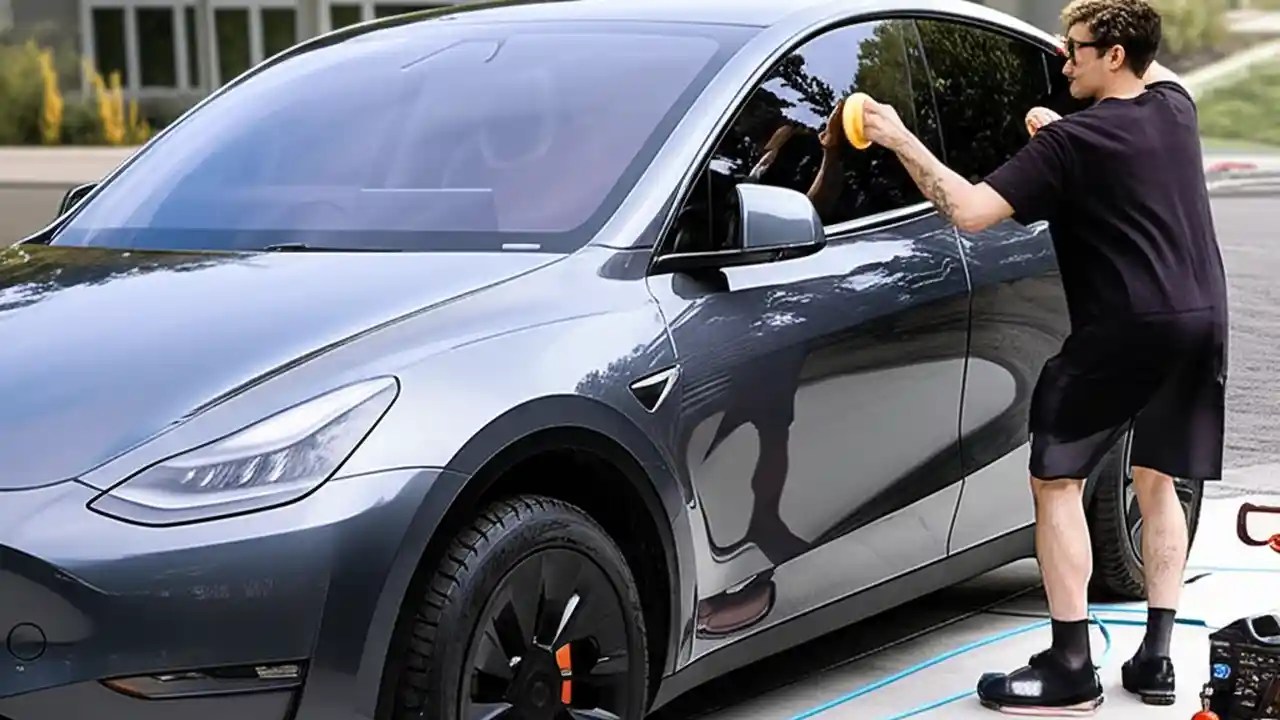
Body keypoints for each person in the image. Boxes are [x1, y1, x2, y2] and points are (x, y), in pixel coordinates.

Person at [857, 0, 1229, 714]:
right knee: (1157, 478)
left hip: (1124, 328)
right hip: (1201, 318)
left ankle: (1070, 665)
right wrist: (1065, 126)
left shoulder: (1071, 145)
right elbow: (1141, 103)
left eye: (1077, 49)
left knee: (1055, 481)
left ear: (1115, 55)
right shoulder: (1174, 109)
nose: (1065, 61)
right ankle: (1155, 660)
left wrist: (899, 135)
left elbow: (967, 211)